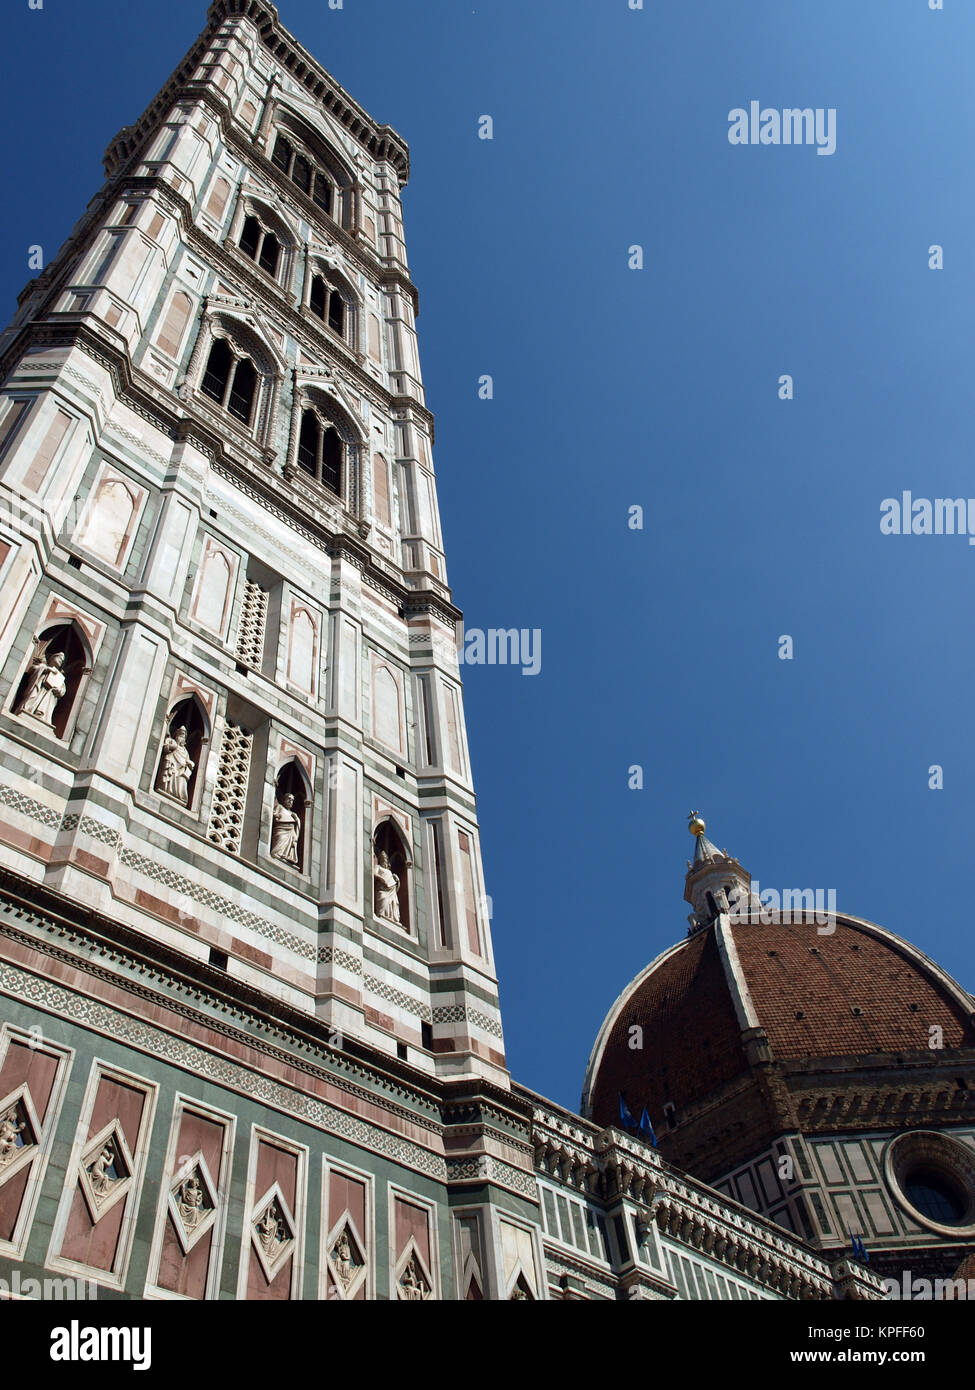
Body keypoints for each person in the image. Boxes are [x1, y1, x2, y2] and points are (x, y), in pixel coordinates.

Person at [17, 650, 67, 726]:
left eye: (61, 661)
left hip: (49, 695)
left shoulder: (59, 676)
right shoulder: (43, 666)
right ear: (52, 658)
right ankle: (29, 710)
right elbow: (32, 669)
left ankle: (42, 717)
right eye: (59, 658)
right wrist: (46, 669)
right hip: (39, 690)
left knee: (49, 701)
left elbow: (63, 689)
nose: (60, 661)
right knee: (33, 700)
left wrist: (59, 690)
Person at [159, 726, 195, 804]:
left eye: (183, 736)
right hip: (173, 765)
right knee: (170, 774)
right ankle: (167, 789)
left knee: (181, 782)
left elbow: (187, 760)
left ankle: (179, 795)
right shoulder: (171, 741)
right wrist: (172, 746)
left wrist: (190, 763)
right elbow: (166, 748)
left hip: (181, 770)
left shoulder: (185, 751)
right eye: (180, 736)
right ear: (176, 735)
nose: (181, 738)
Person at [271, 792, 301, 864]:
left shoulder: (293, 814)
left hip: (291, 832)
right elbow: (274, 814)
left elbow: (298, 825)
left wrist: (297, 819)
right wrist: (278, 816)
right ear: (284, 800)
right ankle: (277, 853)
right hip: (281, 830)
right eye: (289, 799)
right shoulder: (280, 807)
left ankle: (286, 856)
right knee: (280, 840)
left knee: (289, 846)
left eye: (292, 800)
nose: (290, 801)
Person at [374, 849, 401, 922]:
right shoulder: (378, 867)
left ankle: (391, 917)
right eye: (383, 859)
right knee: (382, 898)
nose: (384, 861)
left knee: (392, 903)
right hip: (382, 888)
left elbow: (396, 888)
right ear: (380, 860)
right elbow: (375, 874)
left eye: (385, 860)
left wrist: (397, 880)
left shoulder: (389, 871)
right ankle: (381, 914)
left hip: (391, 890)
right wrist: (382, 879)